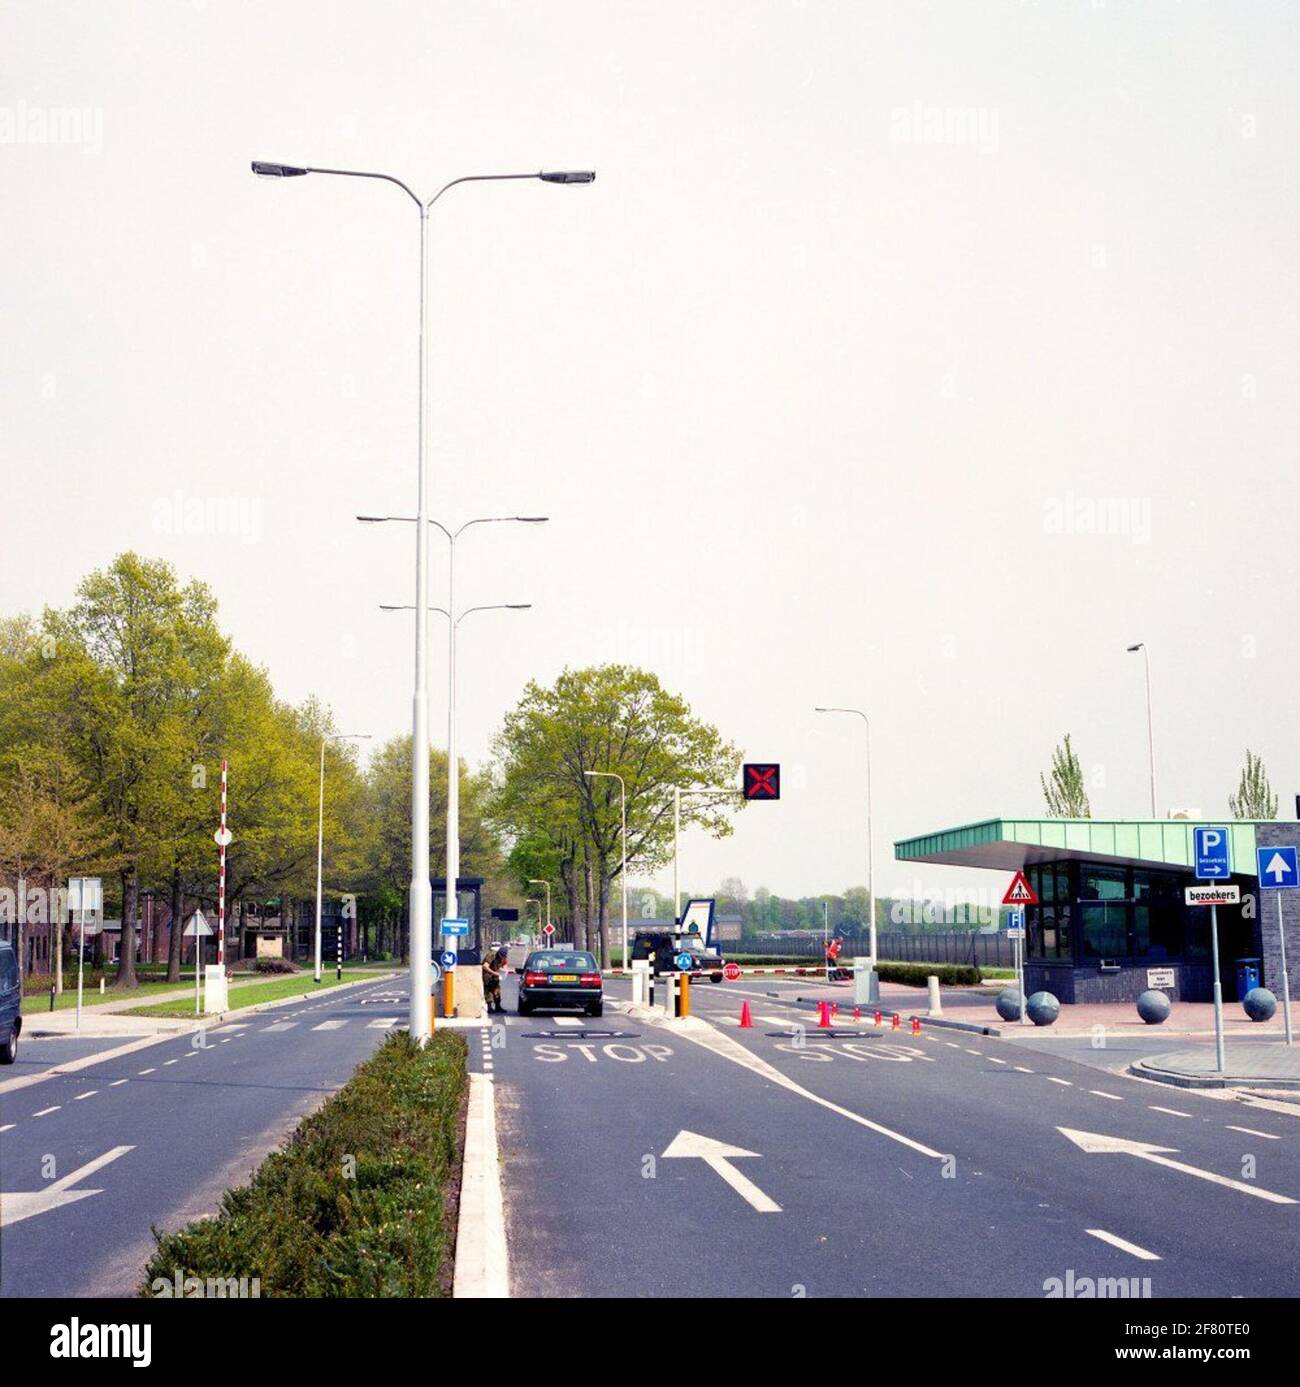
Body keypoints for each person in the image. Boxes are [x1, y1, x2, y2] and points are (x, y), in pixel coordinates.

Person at [482, 948, 506, 1014]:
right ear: (498, 953)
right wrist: (494, 973)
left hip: (495, 974)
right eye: (501, 956)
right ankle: (489, 1008)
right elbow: (485, 966)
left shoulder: (503, 956)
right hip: (487, 974)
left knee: (497, 990)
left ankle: (498, 1007)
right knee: (488, 991)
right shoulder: (491, 955)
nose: (502, 957)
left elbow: (504, 964)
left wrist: (504, 971)